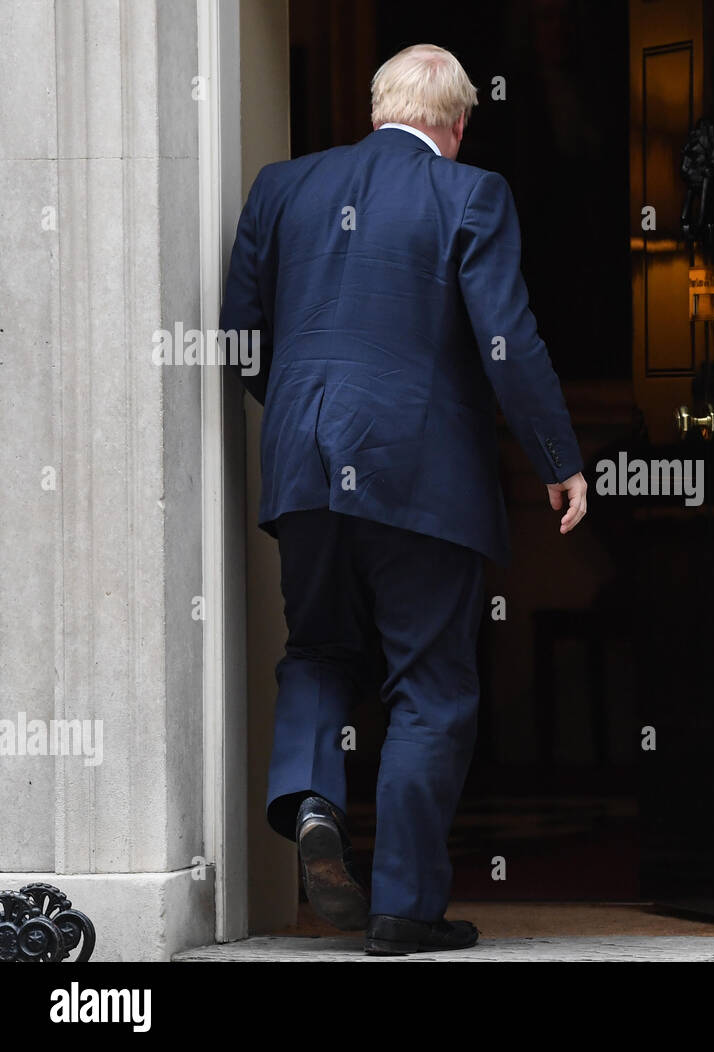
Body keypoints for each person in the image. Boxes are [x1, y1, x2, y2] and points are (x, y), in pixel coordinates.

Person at [219, 43, 587, 955]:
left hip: (303, 467)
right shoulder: (471, 193)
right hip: (422, 477)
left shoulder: (282, 186)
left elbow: (237, 338)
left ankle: (312, 797)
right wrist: (557, 458)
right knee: (428, 686)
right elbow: (508, 338)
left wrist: (311, 416)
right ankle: (403, 910)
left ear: (379, 106)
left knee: (317, 647)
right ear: (457, 124)